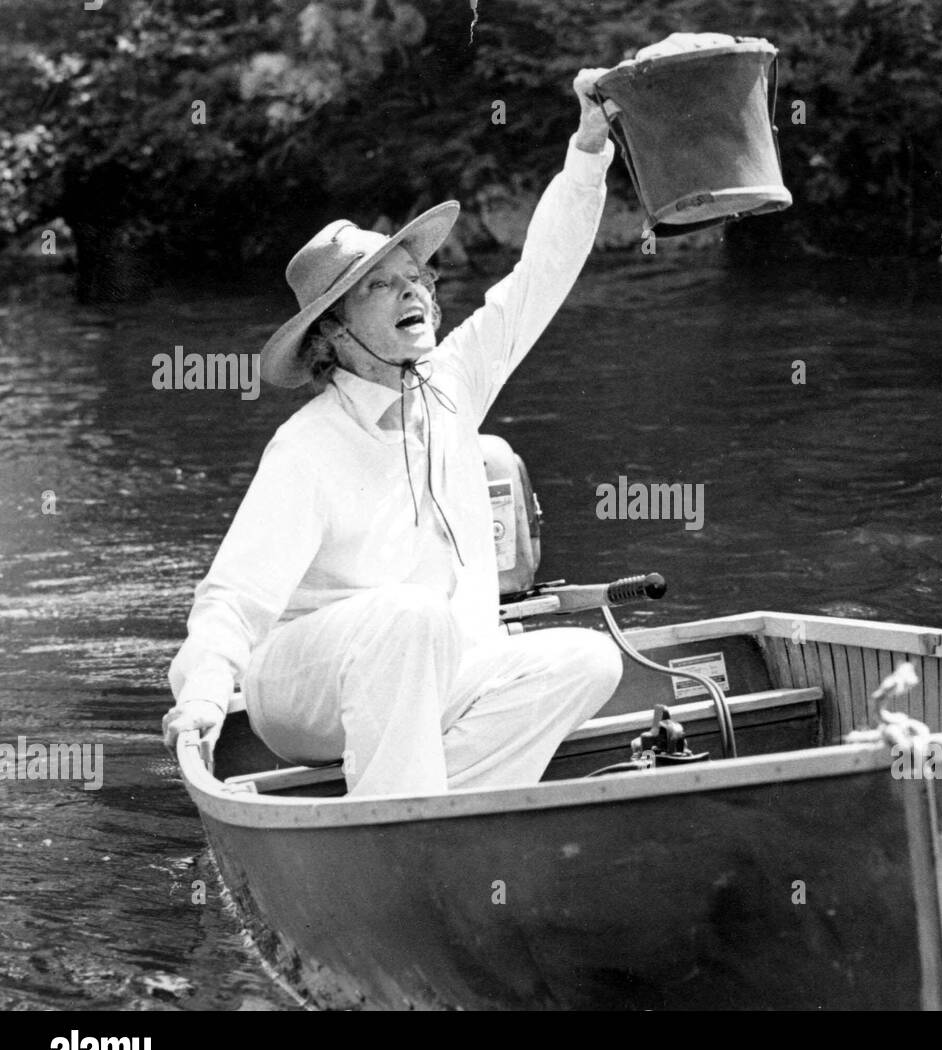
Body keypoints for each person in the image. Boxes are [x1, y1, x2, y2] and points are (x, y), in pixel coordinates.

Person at [161, 69, 624, 796]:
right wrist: (203, 695)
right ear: (334, 334)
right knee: (412, 618)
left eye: (417, 278)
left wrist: (589, 147)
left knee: (590, 661)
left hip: (434, 668)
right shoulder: (307, 447)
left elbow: (542, 274)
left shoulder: (453, 385)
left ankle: (430, 812)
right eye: (382, 285)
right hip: (302, 690)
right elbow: (235, 599)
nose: (415, 290)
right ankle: (398, 822)